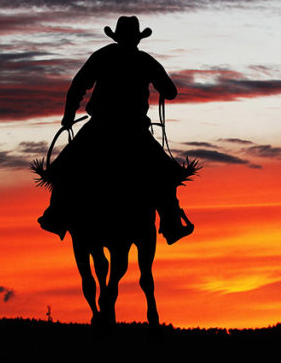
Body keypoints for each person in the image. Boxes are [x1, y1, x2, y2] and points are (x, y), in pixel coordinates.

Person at [38, 16, 194, 244]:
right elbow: (170, 92)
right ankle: (171, 224)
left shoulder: (103, 56)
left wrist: (68, 116)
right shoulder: (145, 61)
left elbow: (78, 85)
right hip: (134, 131)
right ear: (137, 39)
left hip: (101, 127)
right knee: (165, 174)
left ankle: (56, 216)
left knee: (66, 167)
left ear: (117, 37)